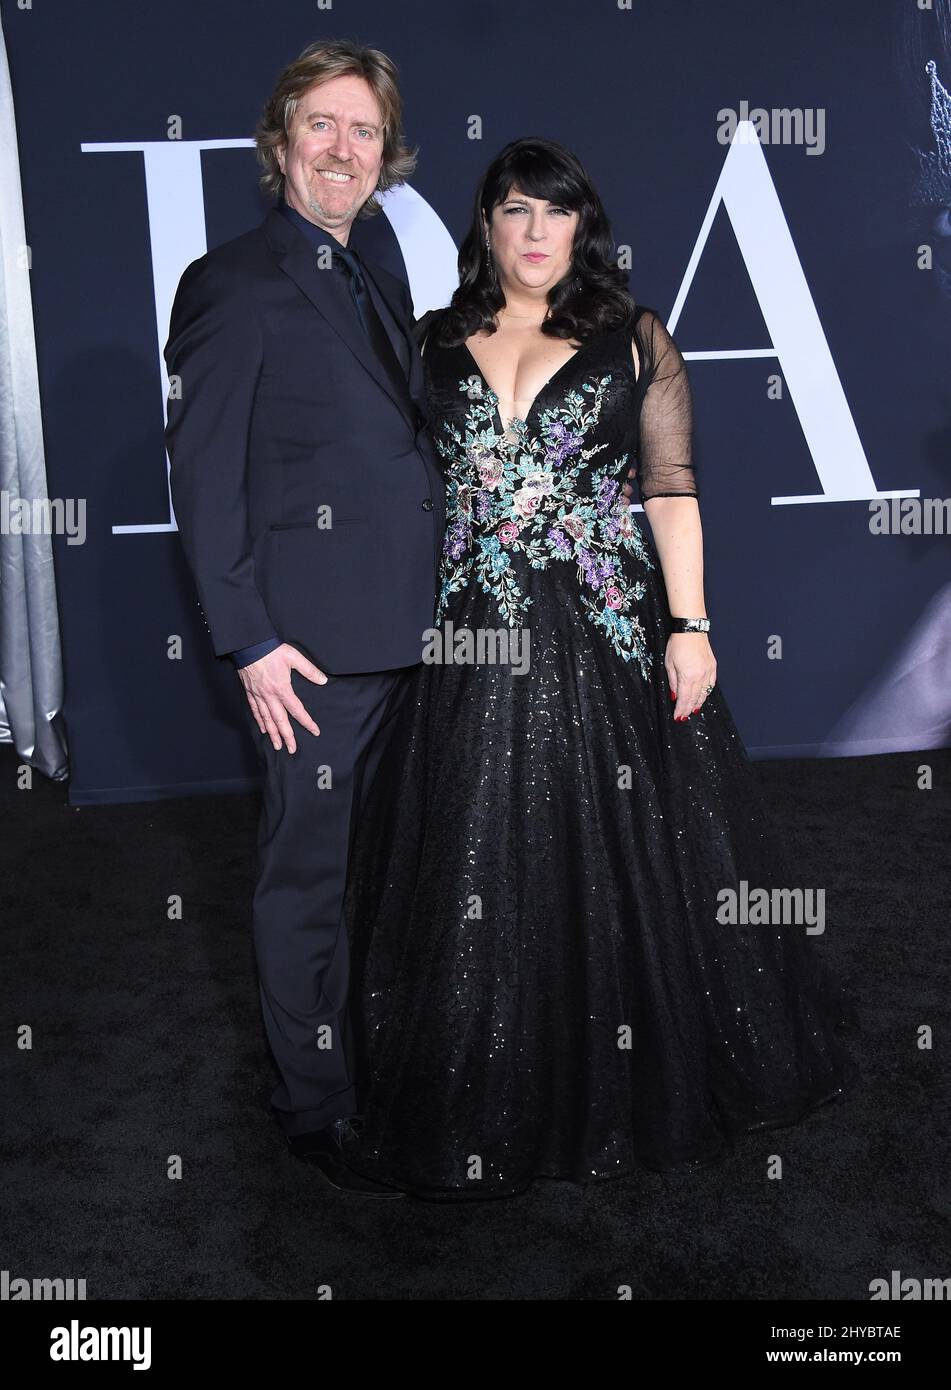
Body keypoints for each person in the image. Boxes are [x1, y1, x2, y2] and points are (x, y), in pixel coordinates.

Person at [341, 137, 858, 1200]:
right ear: (486, 225)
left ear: (585, 228)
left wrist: (693, 623)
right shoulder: (431, 341)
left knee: (638, 860)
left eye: (557, 213)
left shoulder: (634, 338)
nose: (537, 233)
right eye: (516, 211)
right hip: (470, 637)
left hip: (606, 631)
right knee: (469, 857)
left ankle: (636, 1076)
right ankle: (478, 1087)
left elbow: (670, 491)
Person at [163, 39, 444, 1197]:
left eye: (364, 131)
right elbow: (203, 477)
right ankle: (313, 1102)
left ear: (388, 153)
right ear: (280, 142)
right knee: (309, 876)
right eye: (321, 126)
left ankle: (370, 1055)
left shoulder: (371, 254)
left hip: (415, 632)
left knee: (388, 868)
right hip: (311, 652)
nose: (343, 150)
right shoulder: (231, 282)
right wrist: (248, 639)